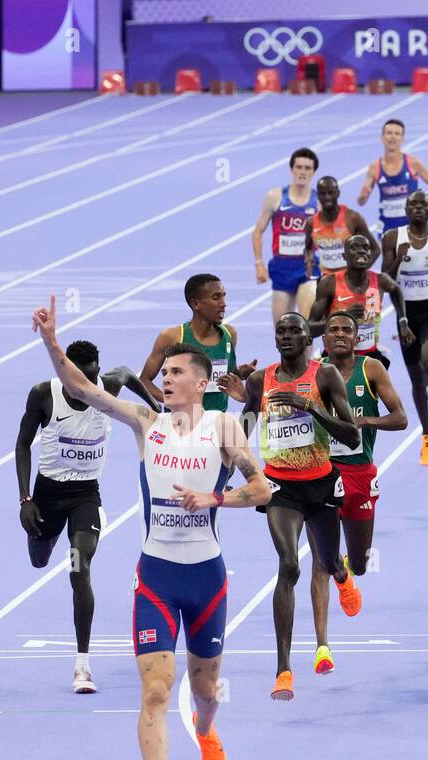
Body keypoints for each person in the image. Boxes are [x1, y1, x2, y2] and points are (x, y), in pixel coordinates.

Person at [32, 296, 271, 760]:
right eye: (163, 372)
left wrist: (214, 501)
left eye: (175, 372)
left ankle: (207, 732)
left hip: (206, 580)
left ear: (200, 381)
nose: (164, 378)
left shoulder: (223, 430)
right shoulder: (145, 422)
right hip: (157, 579)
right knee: (157, 693)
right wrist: (51, 342)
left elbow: (261, 489)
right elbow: (82, 389)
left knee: (205, 691)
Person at [15, 341, 159, 693]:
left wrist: (158, 410)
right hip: (48, 496)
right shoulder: (43, 395)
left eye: (94, 376)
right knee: (38, 559)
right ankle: (40, 540)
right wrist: (25, 499)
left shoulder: (106, 387)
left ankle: (82, 666)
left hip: (85, 496)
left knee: (79, 567)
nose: (90, 389)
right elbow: (21, 445)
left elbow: (126, 372)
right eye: (83, 379)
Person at [241, 313, 363, 702]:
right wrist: (231, 469)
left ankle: (342, 577)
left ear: (308, 338)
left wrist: (309, 407)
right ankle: (283, 670)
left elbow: (351, 434)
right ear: (275, 338)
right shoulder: (260, 381)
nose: (288, 336)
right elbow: (242, 427)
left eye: (295, 330)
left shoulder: (324, 376)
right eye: (281, 331)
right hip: (280, 488)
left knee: (327, 562)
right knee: (289, 566)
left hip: (322, 484)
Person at [309, 311, 408, 674]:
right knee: (320, 559)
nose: (338, 334)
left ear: (356, 337)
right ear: (324, 339)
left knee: (359, 563)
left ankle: (347, 575)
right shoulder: (313, 371)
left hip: (360, 475)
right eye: (332, 329)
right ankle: (322, 647)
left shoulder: (371, 370)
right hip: (320, 474)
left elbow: (400, 417)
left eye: (346, 330)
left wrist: (363, 421)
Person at [381, 190, 428, 465]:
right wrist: (398, 259)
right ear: (405, 209)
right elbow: (385, 281)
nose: (416, 208)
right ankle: (426, 435)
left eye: (421, 204)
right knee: (416, 380)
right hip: (406, 313)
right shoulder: (392, 239)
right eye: (412, 204)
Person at [138, 274, 255, 414]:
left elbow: (221, 375)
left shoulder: (230, 334)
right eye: (216, 297)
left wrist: (239, 374)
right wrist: (170, 398)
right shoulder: (173, 337)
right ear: (196, 304)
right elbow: (144, 380)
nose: (224, 303)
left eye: (224, 296)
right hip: (180, 422)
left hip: (215, 422)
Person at [307, 234, 411, 371]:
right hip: (335, 360)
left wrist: (403, 320)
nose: (361, 251)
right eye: (354, 248)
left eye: (366, 248)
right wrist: (343, 317)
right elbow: (310, 329)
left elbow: (396, 290)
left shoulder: (380, 280)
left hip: (370, 357)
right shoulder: (329, 283)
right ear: (344, 256)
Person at [253, 148, 321, 324]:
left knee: (305, 328)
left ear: (313, 172)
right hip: (281, 268)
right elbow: (258, 231)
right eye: (299, 167)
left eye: (307, 168)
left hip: (308, 268)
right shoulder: (275, 197)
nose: (303, 172)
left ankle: (308, 351)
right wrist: (259, 264)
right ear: (292, 169)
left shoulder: (319, 202)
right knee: (283, 329)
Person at [357, 119, 428, 239]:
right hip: (387, 226)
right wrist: (363, 195)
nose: (393, 137)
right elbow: (361, 202)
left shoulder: (413, 162)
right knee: (390, 258)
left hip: (412, 225)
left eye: (397, 134)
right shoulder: (375, 167)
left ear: (402, 139)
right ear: (382, 138)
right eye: (389, 133)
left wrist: (424, 209)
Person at [304, 176, 379, 280]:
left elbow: (375, 249)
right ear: (318, 196)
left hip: (351, 281)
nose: (327, 197)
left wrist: (361, 271)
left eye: (331, 193)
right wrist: (309, 260)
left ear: (338, 193)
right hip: (327, 281)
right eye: (323, 193)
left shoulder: (352, 219)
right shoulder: (311, 223)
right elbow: (308, 248)